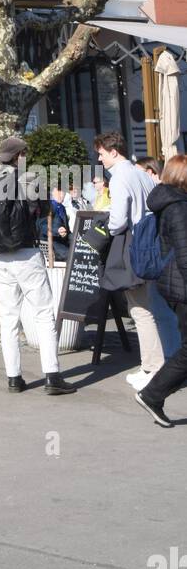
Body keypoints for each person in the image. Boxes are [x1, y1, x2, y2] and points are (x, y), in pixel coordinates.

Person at [0, 137, 75, 395]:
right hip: (27, 253)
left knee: (8, 319)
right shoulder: (28, 179)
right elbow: (42, 211)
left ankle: (14, 378)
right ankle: (52, 375)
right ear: (19, 155)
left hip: (0, 257)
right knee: (43, 314)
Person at [95, 132, 167, 394]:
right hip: (151, 245)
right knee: (148, 308)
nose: (99, 158)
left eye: (101, 153)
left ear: (114, 151)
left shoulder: (120, 177)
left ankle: (152, 368)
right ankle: (153, 366)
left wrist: (107, 226)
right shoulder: (140, 173)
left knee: (140, 311)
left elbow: (118, 221)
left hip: (134, 247)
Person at [134, 154, 187, 427]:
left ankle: (153, 394)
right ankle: (152, 394)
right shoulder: (178, 207)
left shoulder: (172, 204)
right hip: (182, 285)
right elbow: (185, 252)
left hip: (175, 283)